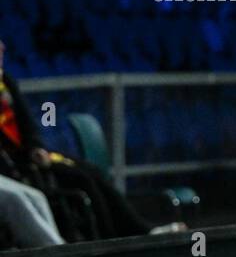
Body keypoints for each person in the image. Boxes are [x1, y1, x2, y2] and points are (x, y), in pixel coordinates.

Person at [0, 37, 173, 240]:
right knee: (81, 180)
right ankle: (108, 239)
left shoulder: (7, 82)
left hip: (31, 156)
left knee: (92, 171)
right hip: (12, 168)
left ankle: (141, 230)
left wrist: (36, 147)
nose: (3, 47)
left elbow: (28, 124)